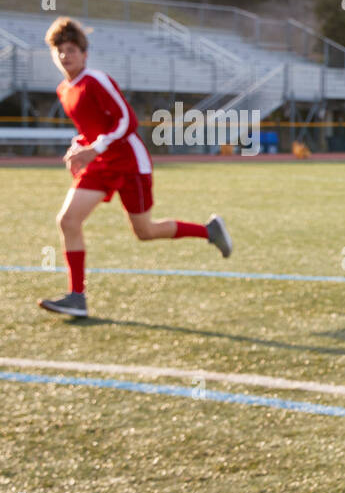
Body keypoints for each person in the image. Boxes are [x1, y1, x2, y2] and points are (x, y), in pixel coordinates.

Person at [38, 17, 232, 318]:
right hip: (101, 164)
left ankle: (209, 231)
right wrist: (79, 146)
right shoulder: (64, 89)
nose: (65, 56)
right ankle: (77, 297)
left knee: (145, 231)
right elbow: (93, 127)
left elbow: (127, 121)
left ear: (84, 54)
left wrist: (95, 147)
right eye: (60, 50)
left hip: (130, 164)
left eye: (72, 49)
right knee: (67, 221)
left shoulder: (96, 80)